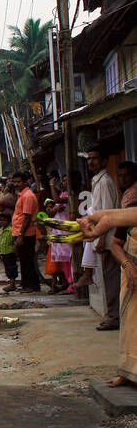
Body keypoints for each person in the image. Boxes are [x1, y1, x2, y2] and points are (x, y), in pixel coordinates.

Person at [79, 207, 137, 387]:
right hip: (132, 273)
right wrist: (92, 221)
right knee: (130, 326)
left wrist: (94, 225)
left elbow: (111, 219)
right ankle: (128, 373)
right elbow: (113, 218)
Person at [88, 148, 121, 330]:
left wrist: (100, 238)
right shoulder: (97, 181)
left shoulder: (105, 182)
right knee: (106, 277)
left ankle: (114, 317)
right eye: (89, 159)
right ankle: (111, 314)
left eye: (95, 158)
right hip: (102, 237)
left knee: (111, 278)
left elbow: (107, 214)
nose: (91, 162)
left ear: (104, 161)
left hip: (107, 239)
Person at [9, 170, 42, 293]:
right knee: (24, 260)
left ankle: (31, 285)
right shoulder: (22, 195)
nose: (16, 184)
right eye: (14, 182)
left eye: (18, 182)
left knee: (27, 260)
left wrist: (21, 235)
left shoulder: (27, 196)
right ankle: (27, 284)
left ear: (24, 182)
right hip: (21, 232)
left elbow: (27, 217)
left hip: (26, 233)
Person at [0, 210, 18, 291]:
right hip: (4, 252)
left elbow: (14, 241)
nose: (2, 222)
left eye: (4, 220)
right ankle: (11, 283)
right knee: (7, 269)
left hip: (10, 252)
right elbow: (1, 241)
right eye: (1, 220)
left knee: (11, 268)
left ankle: (12, 284)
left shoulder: (10, 230)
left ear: (8, 221)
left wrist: (15, 250)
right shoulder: (2, 230)